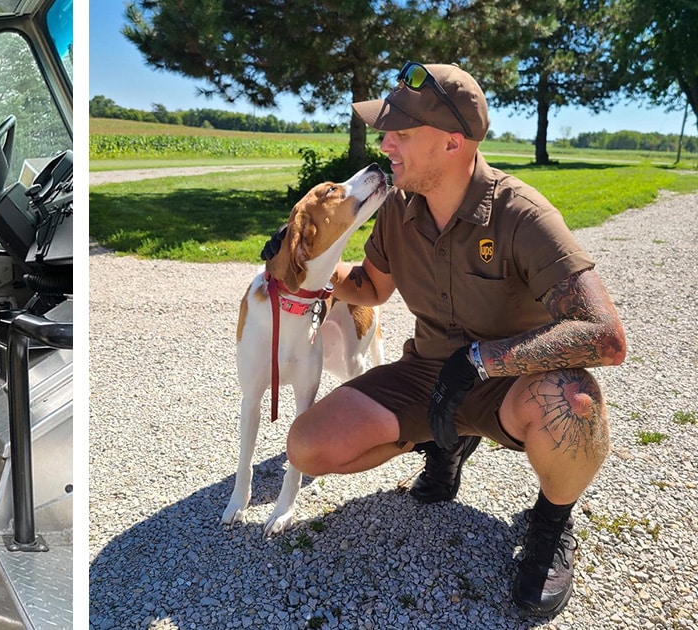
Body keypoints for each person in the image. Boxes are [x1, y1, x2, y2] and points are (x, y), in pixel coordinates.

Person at [264, 62, 626, 616]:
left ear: (453, 142)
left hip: (510, 383)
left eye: (401, 133)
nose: (385, 143)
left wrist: (483, 360)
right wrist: (307, 262)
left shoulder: (522, 215)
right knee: (308, 445)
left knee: (575, 408)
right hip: (424, 375)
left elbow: (605, 337)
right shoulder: (399, 208)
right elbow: (370, 287)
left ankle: (551, 526)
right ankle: (445, 441)